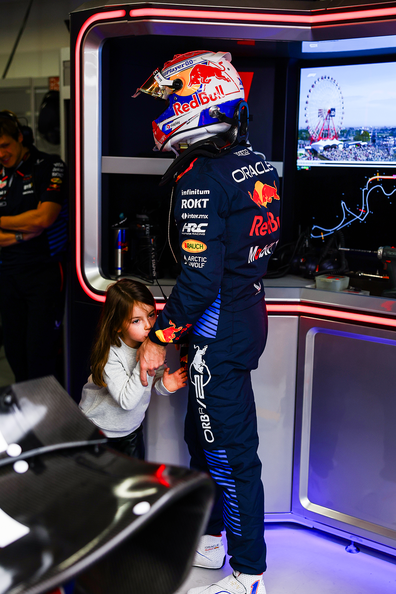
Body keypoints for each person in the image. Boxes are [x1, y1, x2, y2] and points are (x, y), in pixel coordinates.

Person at [134, 51, 281, 594]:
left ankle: (248, 575)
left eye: (174, 95)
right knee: (205, 437)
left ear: (197, 100)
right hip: (245, 312)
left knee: (227, 451)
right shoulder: (253, 161)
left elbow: (198, 284)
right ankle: (215, 538)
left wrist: (158, 337)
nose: (168, 106)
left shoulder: (202, 178)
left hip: (218, 328)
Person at [79, 278, 187, 459]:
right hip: (98, 432)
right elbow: (127, 401)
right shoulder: (111, 353)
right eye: (136, 320)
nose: (148, 325)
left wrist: (166, 385)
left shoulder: (152, 345)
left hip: (131, 430)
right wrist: (144, 361)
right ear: (117, 325)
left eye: (152, 315)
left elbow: (154, 377)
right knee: (101, 486)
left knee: (136, 483)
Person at [0, 110, 68, 383]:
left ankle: (51, 421)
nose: (1, 154)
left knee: (40, 354)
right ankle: (27, 420)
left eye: (4, 145)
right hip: (7, 274)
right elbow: (33, 223)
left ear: (20, 138)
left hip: (45, 273)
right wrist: (22, 232)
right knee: (15, 354)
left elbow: (44, 218)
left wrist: (5, 223)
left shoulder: (49, 165)